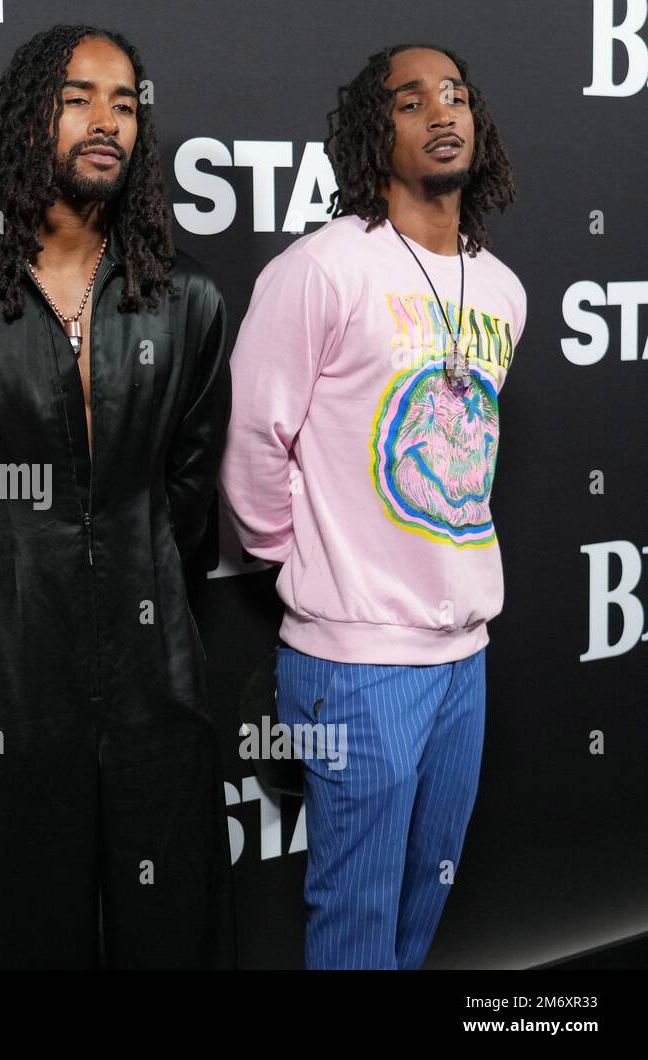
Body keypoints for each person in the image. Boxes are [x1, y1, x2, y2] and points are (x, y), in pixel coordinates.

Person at [0, 24, 234, 969]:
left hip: (154, 675)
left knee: (171, 930)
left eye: (125, 103)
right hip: (3, 679)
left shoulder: (189, 299)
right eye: (78, 97)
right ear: (25, 118)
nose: (106, 122)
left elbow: (188, 492)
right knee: (16, 933)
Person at [219, 43, 525, 969]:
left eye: (458, 96)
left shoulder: (503, 292)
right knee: (353, 916)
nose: (442, 113)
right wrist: (308, 566)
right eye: (410, 101)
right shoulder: (321, 269)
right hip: (355, 664)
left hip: (463, 652)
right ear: (372, 130)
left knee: (422, 904)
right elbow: (254, 442)